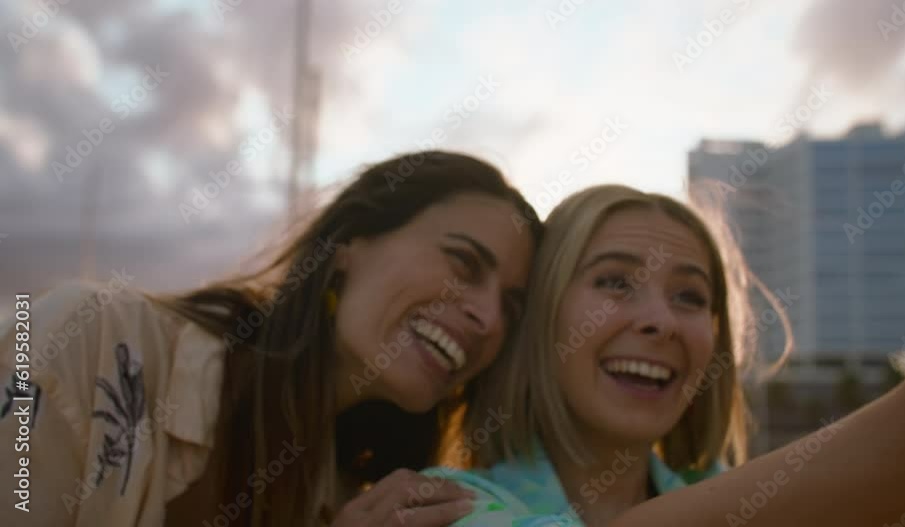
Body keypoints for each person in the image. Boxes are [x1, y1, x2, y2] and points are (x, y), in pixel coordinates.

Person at [0, 151, 542, 526]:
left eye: (512, 310)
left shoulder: (354, 496)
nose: (488, 318)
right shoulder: (86, 337)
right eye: (463, 262)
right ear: (349, 246)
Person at [426, 184, 905, 526]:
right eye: (614, 282)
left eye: (690, 296)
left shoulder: (741, 490)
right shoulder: (439, 508)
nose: (660, 320)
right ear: (538, 319)